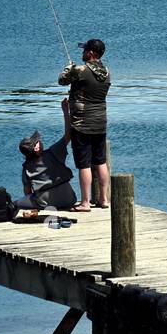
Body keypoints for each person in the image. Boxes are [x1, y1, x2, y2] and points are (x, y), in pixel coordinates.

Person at [59, 37, 111, 211]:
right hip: (100, 122)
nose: (82, 53)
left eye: (84, 50)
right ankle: (104, 199)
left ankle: (85, 202)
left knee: (84, 164)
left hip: (82, 123)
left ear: (90, 53)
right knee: (101, 161)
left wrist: (69, 68)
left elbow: (61, 80)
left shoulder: (81, 70)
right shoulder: (107, 72)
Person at [15, 98, 79, 215]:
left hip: (45, 204)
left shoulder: (27, 168)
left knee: (17, 203)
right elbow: (68, 134)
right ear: (37, 148)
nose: (39, 141)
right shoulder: (54, 152)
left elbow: (28, 192)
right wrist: (66, 112)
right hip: (69, 199)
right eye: (37, 141)